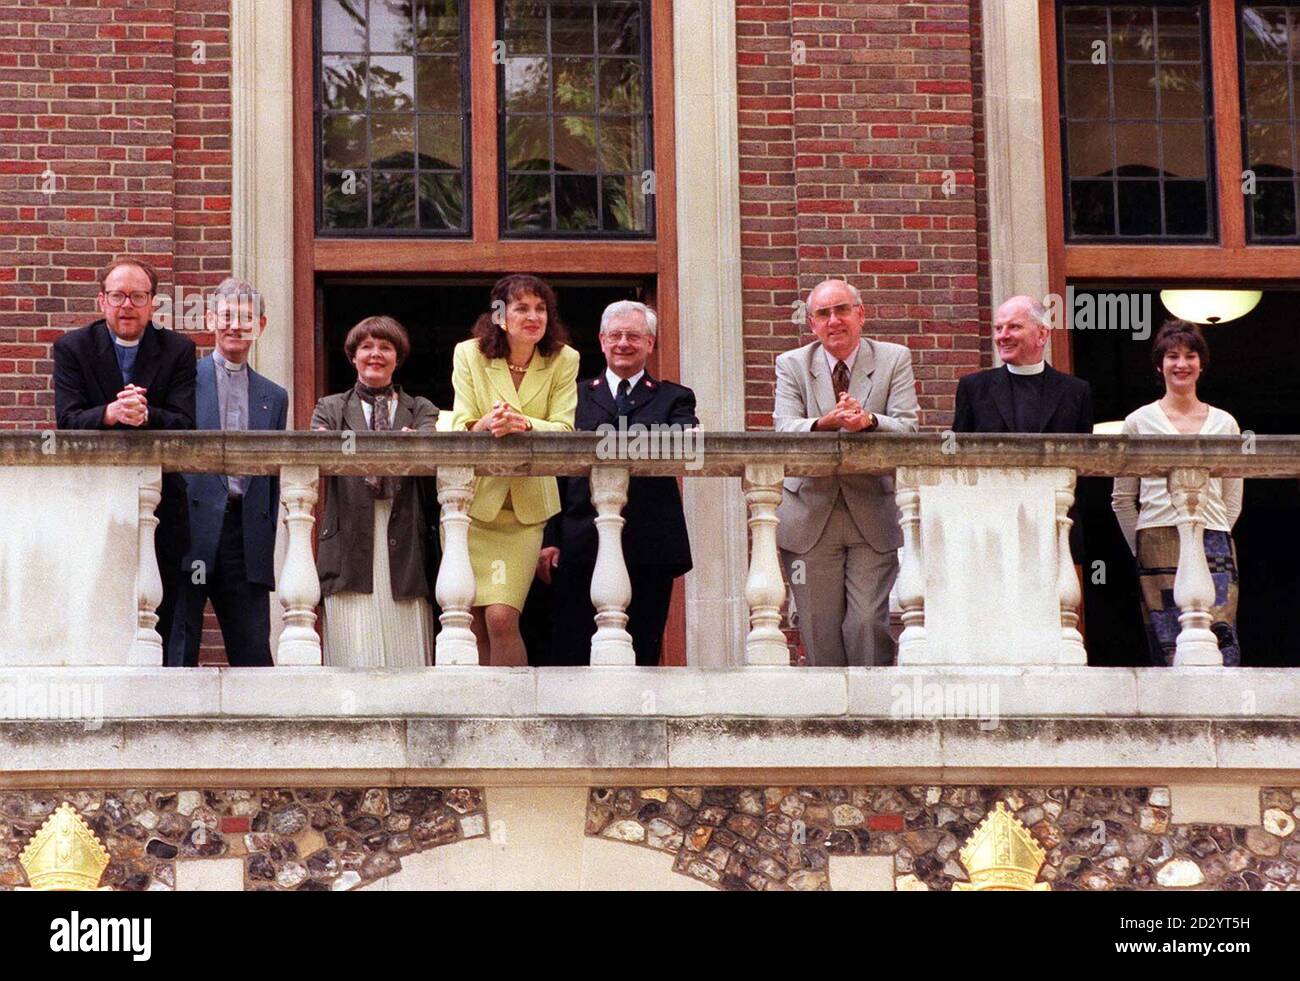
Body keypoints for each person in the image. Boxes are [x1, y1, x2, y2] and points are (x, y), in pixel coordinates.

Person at [539, 301, 698, 666]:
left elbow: (681, 440)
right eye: (616, 335)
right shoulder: (574, 396)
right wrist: (549, 539)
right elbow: (554, 471)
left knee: (642, 651)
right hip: (579, 540)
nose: (624, 343)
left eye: (634, 336)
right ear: (601, 340)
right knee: (573, 651)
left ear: (650, 343)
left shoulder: (674, 397)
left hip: (650, 543)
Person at [53, 257, 196, 662]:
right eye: (118, 296)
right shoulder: (72, 348)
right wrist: (109, 414)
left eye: (137, 296)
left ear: (153, 304)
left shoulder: (179, 349)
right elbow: (66, 420)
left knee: (162, 615)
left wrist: (147, 414)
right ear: (102, 301)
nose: (127, 305)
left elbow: (187, 423)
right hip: (95, 504)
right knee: (98, 604)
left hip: (163, 504)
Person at [773, 278, 920, 667]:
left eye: (842, 310)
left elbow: (909, 428)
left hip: (871, 512)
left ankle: (874, 720)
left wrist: (869, 421)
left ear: (861, 315)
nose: (833, 321)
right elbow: (783, 429)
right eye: (823, 314)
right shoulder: (792, 364)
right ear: (811, 323)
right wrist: (823, 423)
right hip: (808, 514)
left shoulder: (894, 359)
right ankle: (828, 721)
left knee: (867, 624)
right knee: (819, 630)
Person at [450, 274, 579, 666]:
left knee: (502, 617)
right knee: (470, 620)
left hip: (526, 512)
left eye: (540, 308)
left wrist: (522, 423)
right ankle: (481, 714)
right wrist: (485, 424)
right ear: (500, 315)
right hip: (473, 510)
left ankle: (514, 715)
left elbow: (565, 429)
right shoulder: (468, 354)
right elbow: (459, 423)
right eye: (522, 308)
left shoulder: (564, 359)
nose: (533, 316)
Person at [169, 279, 289, 667]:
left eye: (246, 318)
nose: (235, 326)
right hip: (190, 528)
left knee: (253, 651)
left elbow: (270, 480)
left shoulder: (274, 396)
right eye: (227, 316)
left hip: (245, 536)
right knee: (179, 646)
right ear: (210, 320)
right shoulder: (183, 380)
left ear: (261, 325)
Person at [1111, 319, 1243, 666]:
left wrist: (1213, 528)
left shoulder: (1225, 423)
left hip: (1212, 537)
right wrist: (1142, 544)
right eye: (1172, 356)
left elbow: (1232, 494)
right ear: (1160, 364)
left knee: (1219, 637)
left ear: (1201, 364)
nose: (1181, 364)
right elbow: (1122, 499)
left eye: (1190, 356)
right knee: (1169, 641)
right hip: (1156, 538)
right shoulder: (1139, 421)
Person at [311, 316, 439, 667]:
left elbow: (432, 452)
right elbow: (316, 450)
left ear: (398, 358)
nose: (375, 354)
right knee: (354, 639)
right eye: (366, 346)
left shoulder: (420, 408)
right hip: (350, 531)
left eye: (385, 347)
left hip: (403, 531)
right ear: (353, 356)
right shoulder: (331, 407)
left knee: (404, 644)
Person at [952, 294, 1093, 560]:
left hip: (1055, 523)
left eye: (1014, 327)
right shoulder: (973, 388)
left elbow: (1084, 469)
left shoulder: (1075, 391)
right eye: (998, 328)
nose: (1002, 336)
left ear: (1041, 334)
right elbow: (959, 460)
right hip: (990, 525)